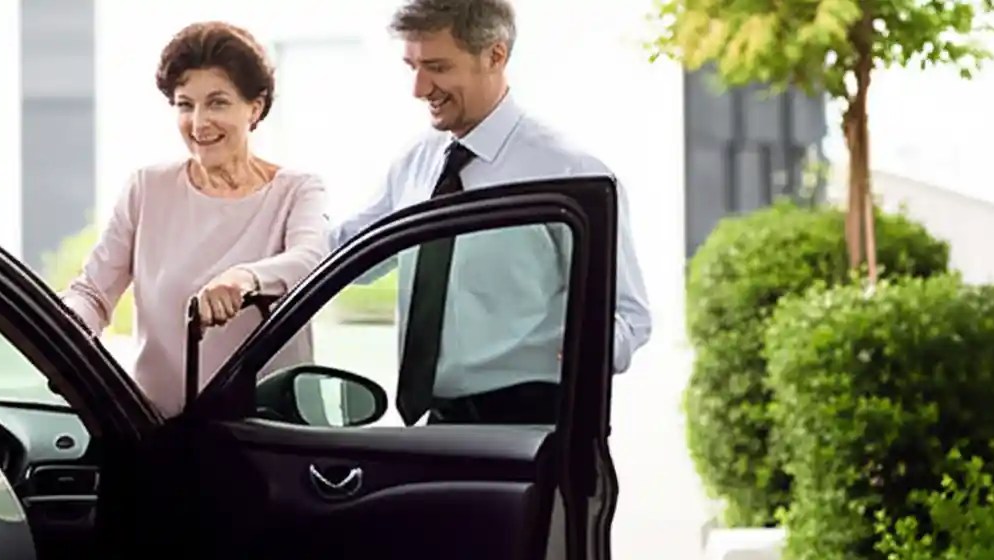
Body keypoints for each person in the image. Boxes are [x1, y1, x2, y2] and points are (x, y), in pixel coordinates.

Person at [330, 0, 652, 426]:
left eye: (438, 67)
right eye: (412, 67)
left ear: (495, 55)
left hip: (534, 426)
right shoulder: (416, 163)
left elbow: (629, 316)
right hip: (435, 423)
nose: (420, 88)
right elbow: (348, 256)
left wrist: (589, 346)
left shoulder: (571, 174)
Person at [60, 21, 329, 419]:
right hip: (158, 430)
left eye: (217, 102)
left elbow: (312, 260)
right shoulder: (147, 188)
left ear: (255, 107)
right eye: (185, 104)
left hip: (269, 437)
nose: (199, 123)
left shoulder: (297, 190)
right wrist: (59, 332)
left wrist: (243, 280)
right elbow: (92, 293)